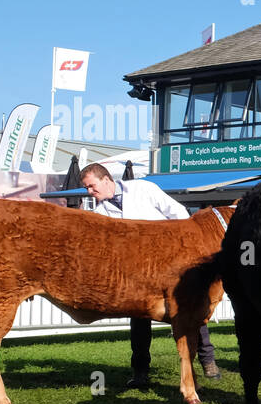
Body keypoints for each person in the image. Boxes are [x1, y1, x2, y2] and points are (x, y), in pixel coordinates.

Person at [81, 163, 221, 385]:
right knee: (138, 321)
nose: (89, 192)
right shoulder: (99, 213)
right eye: (86, 188)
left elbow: (179, 214)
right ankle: (140, 372)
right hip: (138, 273)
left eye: (91, 186)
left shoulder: (143, 188)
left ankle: (208, 361)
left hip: (173, 264)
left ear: (106, 179)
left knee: (192, 314)